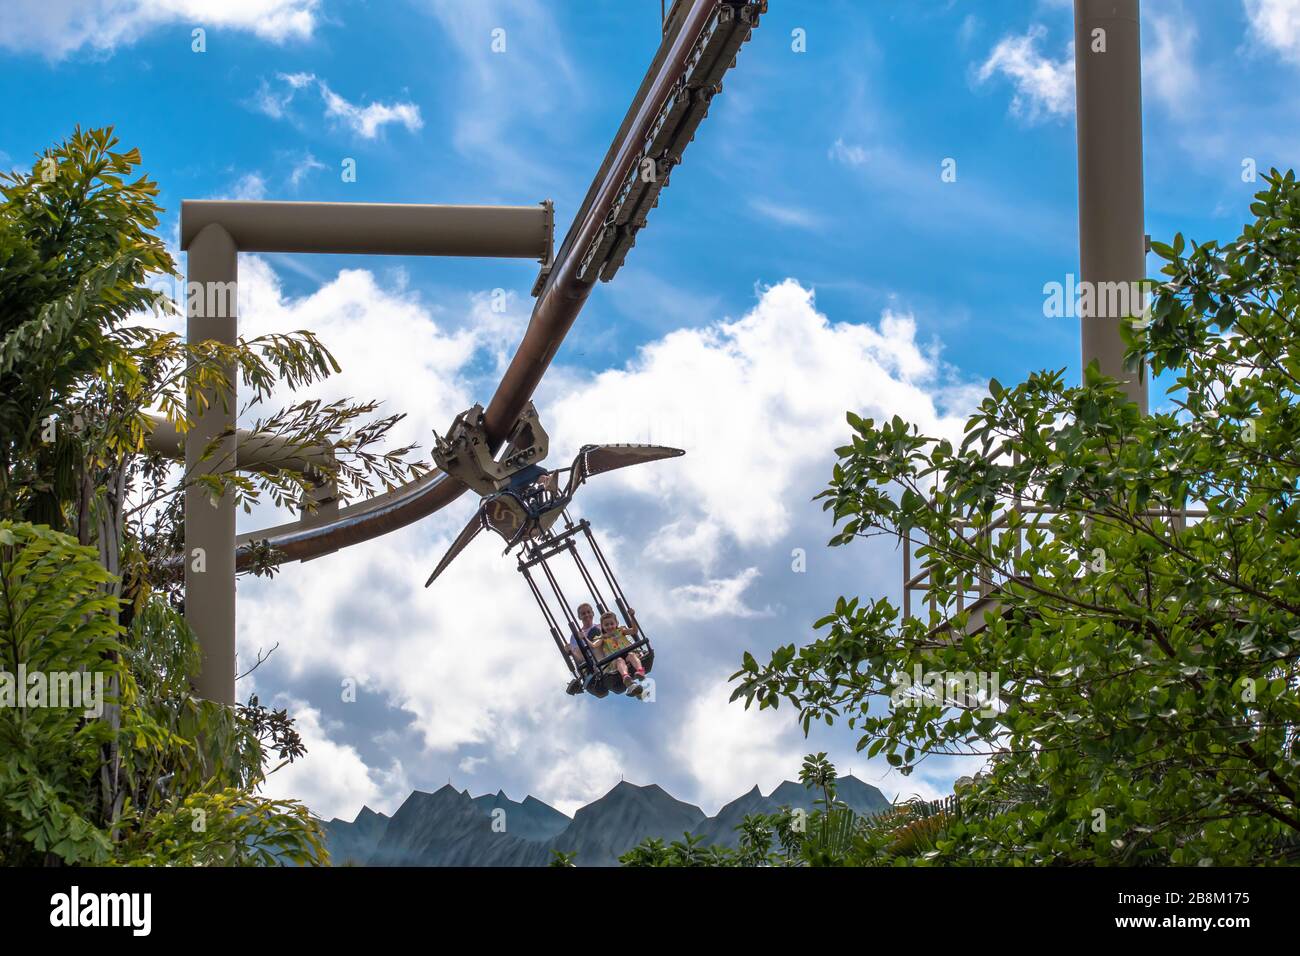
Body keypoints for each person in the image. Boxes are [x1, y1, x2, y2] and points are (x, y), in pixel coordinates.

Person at [592, 609, 646, 694]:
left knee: (632, 655)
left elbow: (634, 631)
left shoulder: (621, 631)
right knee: (620, 661)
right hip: (616, 658)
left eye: (612, 624)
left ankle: (640, 670)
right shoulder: (602, 638)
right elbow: (594, 645)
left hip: (628, 653)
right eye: (606, 625)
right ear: (602, 626)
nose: (609, 626)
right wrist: (583, 638)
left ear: (616, 623)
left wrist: (632, 616)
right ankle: (626, 677)